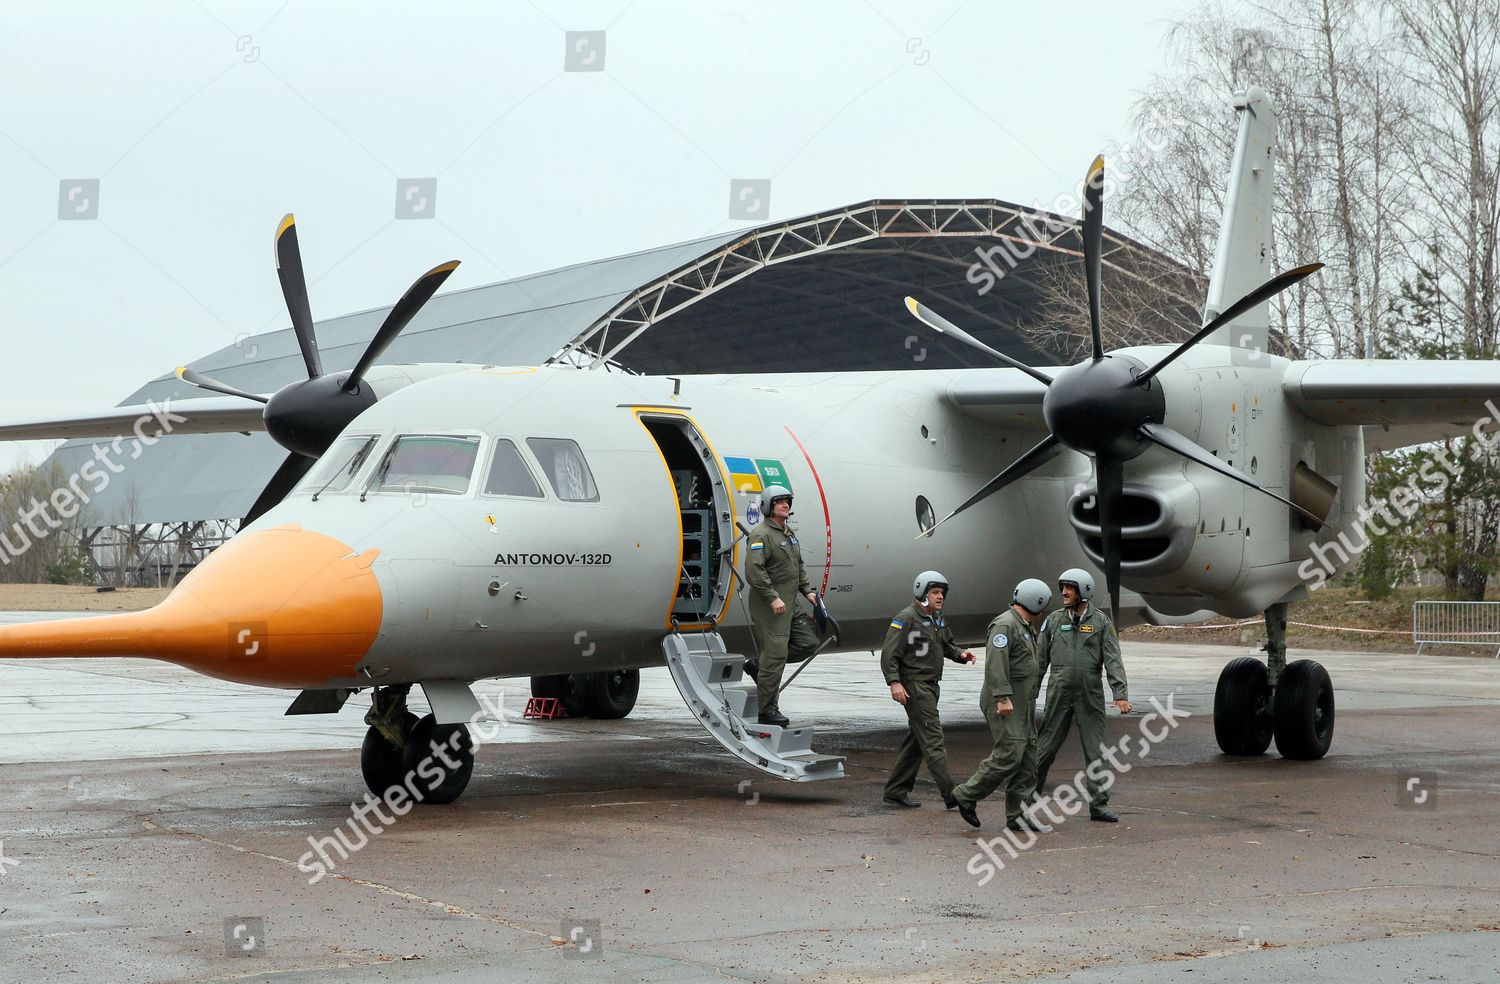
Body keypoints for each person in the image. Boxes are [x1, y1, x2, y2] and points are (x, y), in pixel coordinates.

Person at [950, 578, 1053, 831]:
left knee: (1028, 758)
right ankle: (966, 794)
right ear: (1037, 602)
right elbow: (996, 664)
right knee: (1010, 752)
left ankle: (1018, 815)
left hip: (1022, 702)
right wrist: (1003, 697)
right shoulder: (1005, 625)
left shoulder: (1024, 626)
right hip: (1005, 700)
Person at [1032, 568, 1132, 822]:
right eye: (1063, 587)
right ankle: (1026, 799)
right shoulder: (1053, 621)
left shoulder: (1101, 622)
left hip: (1090, 694)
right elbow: (1039, 660)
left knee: (1096, 751)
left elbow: (1113, 658)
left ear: (1083, 591)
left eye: (1070, 588)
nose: (1064, 592)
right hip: (1059, 692)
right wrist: (1031, 691)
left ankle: (1099, 805)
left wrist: (1120, 693)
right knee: (1045, 748)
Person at [880, 571, 976, 812]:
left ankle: (896, 791)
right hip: (915, 686)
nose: (940, 597)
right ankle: (953, 796)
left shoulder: (936, 619)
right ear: (922, 592)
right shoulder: (906, 618)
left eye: (942, 593)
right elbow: (889, 654)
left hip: (931, 686)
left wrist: (962, 654)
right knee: (933, 741)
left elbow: (947, 645)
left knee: (917, 740)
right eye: (935, 592)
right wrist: (894, 682)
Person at [743, 484, 820, 727]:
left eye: (787, 501)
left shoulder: (788, 533)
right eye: (779, 501)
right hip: (770, 607)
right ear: (769, 506)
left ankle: (759, 665)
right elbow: (754, 571)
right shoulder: (761, 535)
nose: (785, 505)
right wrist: (772, 597)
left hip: (789, 603)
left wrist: (807, 591)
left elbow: (798, 565)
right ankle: (767, 710)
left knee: (809, 642)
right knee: (775, 657)